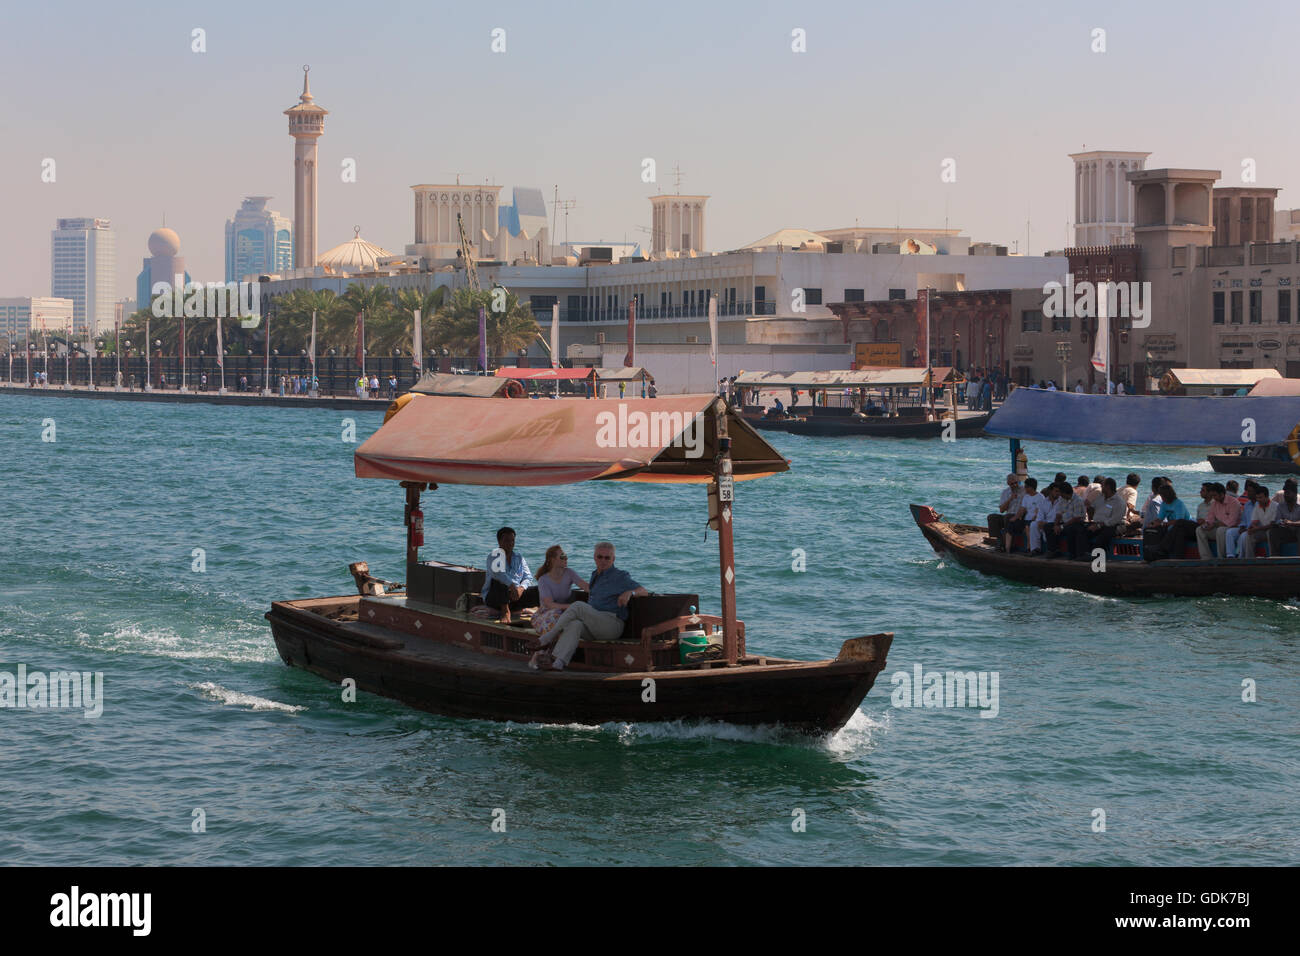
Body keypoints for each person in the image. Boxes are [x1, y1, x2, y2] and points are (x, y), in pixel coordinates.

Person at [530, 541, 647, 671]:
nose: (603, 561)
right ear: (594, 557)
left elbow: (644, 591)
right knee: (575, 624)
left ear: (613, 559)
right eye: (599, 557)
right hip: (595, 626)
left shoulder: (620, 576)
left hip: (611, 624)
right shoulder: (595, 575)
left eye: (607, 558)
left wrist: (630, 592)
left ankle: (547, 638)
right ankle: (558, 663)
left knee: (578, 606)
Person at [527, 546, 590, 650]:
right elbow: (549, 604)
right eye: (562, 557)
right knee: (557, 616)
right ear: (552, 559)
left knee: (569, 619)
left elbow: (585, 586)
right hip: (546, 613)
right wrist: (572, 607)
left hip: (565, 611)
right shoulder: (543, 580)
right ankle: (549, 649)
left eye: (566, 556)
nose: (566, 559)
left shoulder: (569, 573)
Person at [480, 527, 538, 614]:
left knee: (539, 589)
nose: (510, 543)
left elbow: (528, 577)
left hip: (515, 596)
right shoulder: (493, 556)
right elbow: (498, 574)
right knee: (500, 582)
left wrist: (520, 589)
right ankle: (505, 611)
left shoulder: (519, 558)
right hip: (496, 598)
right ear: (499, 542)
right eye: (507, 540)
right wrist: (512, 586)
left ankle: (544, 613)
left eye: (512, 540)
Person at [1143, 483, 1193, 561]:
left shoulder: (1179, 504)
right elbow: (1160, 519)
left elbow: (1179, 521)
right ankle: (1158, 553)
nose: (1161, 498)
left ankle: (1161, 549)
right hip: (1171, 527)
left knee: (1176, 530)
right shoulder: (1164, 504)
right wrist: (1153, 523)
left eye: (1162, 496)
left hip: (1185, 526)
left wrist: (1164, 524)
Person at [1197, 482, 1242, 559]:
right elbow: (1210, 518)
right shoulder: (1214, 503)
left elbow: (1231, 522)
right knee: (1199, 530)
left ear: (1222, 494)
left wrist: (1215, 524)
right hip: (1219, 527)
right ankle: (1206, 557)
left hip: (1233, 529)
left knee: (1220, 530)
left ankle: (1221, 558)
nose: (1213, 498)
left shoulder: (1234, 502)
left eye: (1215, 495)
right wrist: (1207, 524)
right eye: (1212, 495)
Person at [1088, 478, 1128, 555]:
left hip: (1112, 526)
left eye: (1102, 486)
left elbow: (1114, 520)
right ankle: (1083, 553)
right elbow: (1092, 507)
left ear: (1108, 487)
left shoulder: (1119, 502)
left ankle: (1096, 555)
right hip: (1097, 524)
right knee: (1082, 531)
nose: (1101, 488)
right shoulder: (1100, 498)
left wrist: (1099, 525)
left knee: (1105, 534)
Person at [1005, 477, 1042, 553]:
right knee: (1011, 524)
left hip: (1035, 520)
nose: (1024, 488)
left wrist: (1033, 520)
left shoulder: (1040, 497)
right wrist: (1014, 518)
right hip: (1026, 519)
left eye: (1026, 487)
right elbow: (1022, 510)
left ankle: (1029, 549)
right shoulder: (1026, 497)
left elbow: (1038, 512)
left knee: (1028, 526)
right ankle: (1007, 548)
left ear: (1031, 487)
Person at [1055, 482, 1090, 560]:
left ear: (1064, 493)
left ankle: (1073, 553)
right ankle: (1053, 550)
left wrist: (1062, 526)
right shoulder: (1061, 499)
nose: (1059, 495)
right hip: (1065, 522)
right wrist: (1056, 525)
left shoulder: (1078, 500)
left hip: (1076, 522)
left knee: (1071, 529)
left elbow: (1076, 518)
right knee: (1048, 527)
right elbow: (1059, 513)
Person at [1267, 483, 1300, 556]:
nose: (1285, 495)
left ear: (1295, 494)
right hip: (1287, 532)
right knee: (1273, 531)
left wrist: (1291, 523)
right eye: (1285, 493)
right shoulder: (1280, 506)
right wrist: (1279, 522)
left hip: (1297, 531)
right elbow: (1278, 519)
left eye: (1288, 493)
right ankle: (1275, 557)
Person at [1242, 486, 1275, 557]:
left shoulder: (1275, 506)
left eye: (1260, 497)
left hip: (1273, 531)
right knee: (1249, 534)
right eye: (1257, 498)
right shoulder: (1257, 507)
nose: (1258, 500)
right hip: (1262, 532)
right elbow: (1254, 522)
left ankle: (1272, 558)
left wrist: (1257, 528)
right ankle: (1249, 559)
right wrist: (1252, 528)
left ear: (1267, 497)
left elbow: (1272, 525)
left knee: (1270, 532)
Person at [989, 473, 1022, 542]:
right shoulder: (1005, 492)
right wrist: (1010, 499)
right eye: (1012, 484)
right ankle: (999, 540)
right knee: (992, 517)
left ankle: (1005, 544)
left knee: (1008, 517)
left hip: (1019, 517)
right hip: (1008, 515)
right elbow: (1001, 510)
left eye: (1016, 483)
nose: (1015, 485)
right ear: (1008, 484)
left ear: (1018, 481)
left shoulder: (1024, 490)